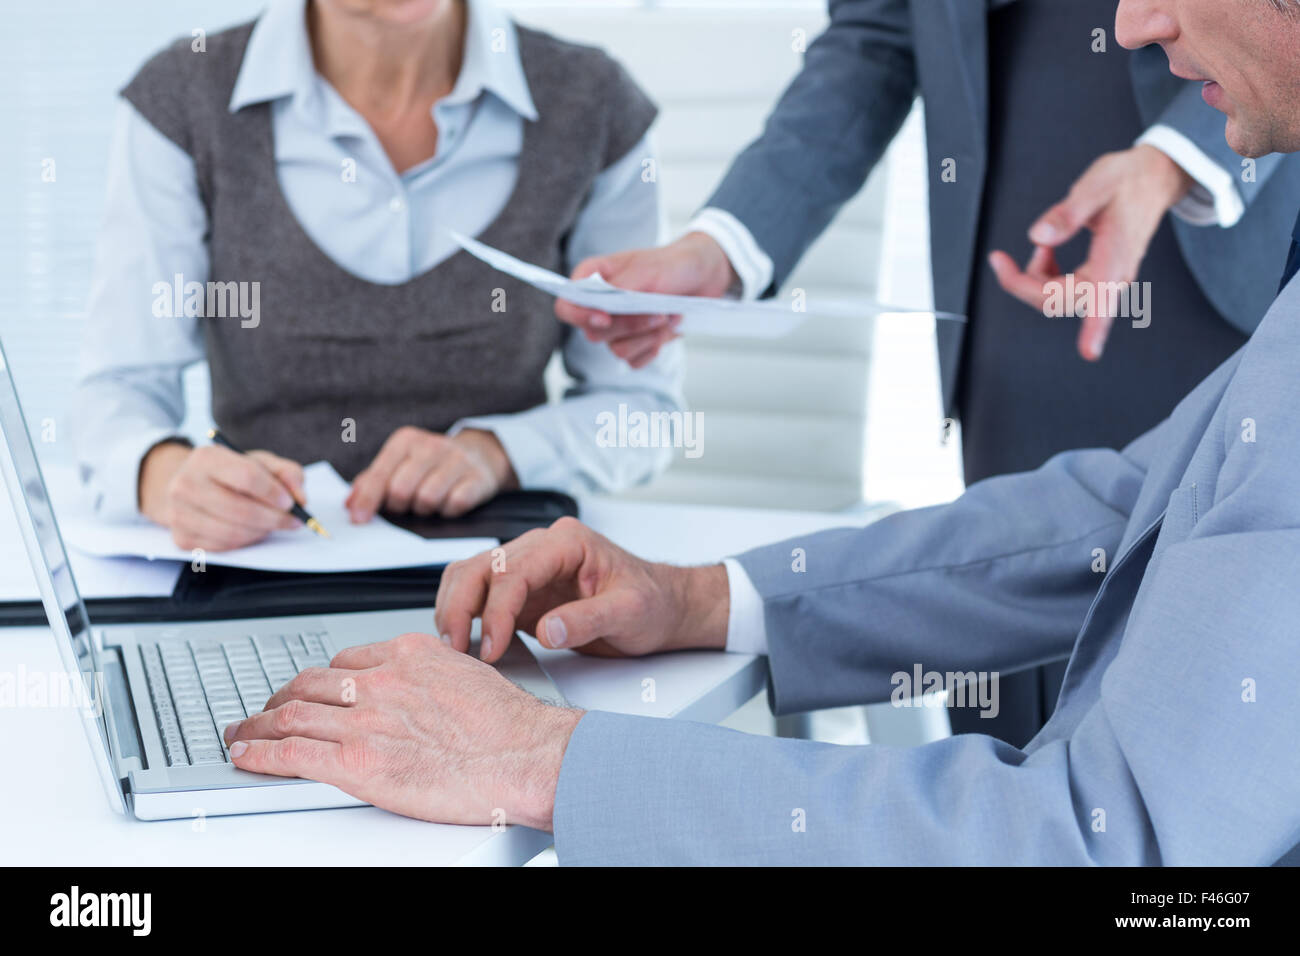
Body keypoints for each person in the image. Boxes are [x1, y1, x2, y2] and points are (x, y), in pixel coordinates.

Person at [224, 0, 1300, 866]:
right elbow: (1121, 508)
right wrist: (700, 596)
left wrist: (544, 760)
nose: (1133, 21)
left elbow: (1111, 839)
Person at [552, 0, 1300, 746]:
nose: (1128, 22)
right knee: (1014, 611)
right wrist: (727, 246)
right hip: (1007, 266)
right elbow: (877, 33)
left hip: (1201, 242)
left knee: (1204, 641)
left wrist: (1174, 160)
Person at [73, 0, 683, 553]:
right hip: (260, 570)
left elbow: (642, 410)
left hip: (508, 580)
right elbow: (118, 389)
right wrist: (166, 474)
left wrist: (499, 454)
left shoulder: (593, 104)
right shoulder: (183, 101)